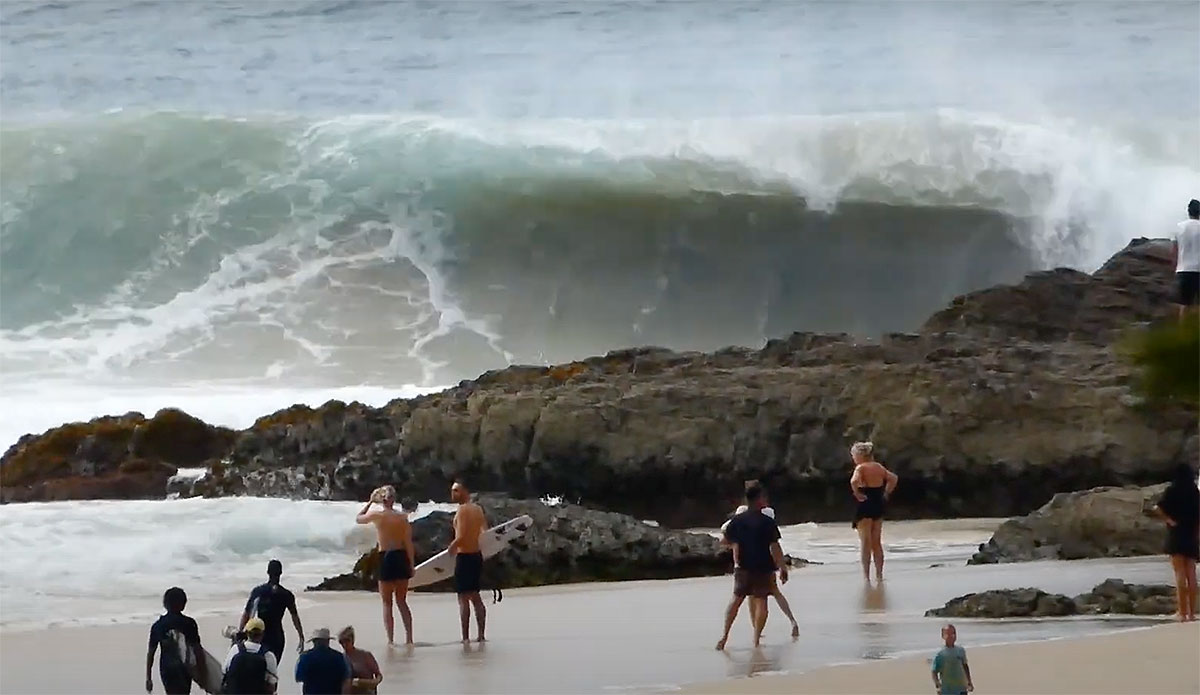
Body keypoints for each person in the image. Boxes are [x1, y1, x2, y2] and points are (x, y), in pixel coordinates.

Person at [716, 481, 788, 650]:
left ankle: (724, 636)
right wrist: (782, 567)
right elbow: (775, 547)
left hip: (742, 567)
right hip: (763, 566)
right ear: (760, 499)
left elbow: (725, 541)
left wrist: (738, 544)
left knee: (736, 601)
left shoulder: (737, 521)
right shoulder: (767, 522)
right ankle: (755, 640)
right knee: (761, 603)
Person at [720, 500, 799, 637]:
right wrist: (781, 566)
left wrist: (734, 545)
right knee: (773, 594)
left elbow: (724, 537)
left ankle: (754, 630)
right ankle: (790, 621)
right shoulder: (764, 521)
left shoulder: (739, 525)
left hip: (745, 567)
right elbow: (774, 546)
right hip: (765, 564)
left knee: (749, 598)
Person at [355, 485, 416, 645]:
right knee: (402, 601)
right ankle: (409, 638)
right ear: (394, 499)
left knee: (387, 603)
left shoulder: (377, 515)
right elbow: (408, 543)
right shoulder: (403, 517)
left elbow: (359, 518)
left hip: (386, 557)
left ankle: (391, 639)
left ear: (382, 499)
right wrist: (412, 564)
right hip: (401, 556)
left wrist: (369, 502)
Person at [1153, 463, 1200, 621]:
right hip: (1191, 533)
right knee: (1191, 574)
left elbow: (1157, 507)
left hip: (1176, 533)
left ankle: (1182, 612)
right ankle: (1193, 613)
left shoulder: (1171, 490)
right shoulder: (1195, 492)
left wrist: (1169, 520)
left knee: (1179, 573)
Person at [849, 441, 898, 582]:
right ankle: (879, 574)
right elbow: (893, 478)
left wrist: (857, 493)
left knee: (865, 542)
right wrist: (886, 493)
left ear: (859, 455)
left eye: (854, 455)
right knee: (876, 542)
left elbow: (854, 481)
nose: (853, 458)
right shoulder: (878, 467)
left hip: (865, 503)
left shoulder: (861, 467)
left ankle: (866, 576)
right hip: (878, 502)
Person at [239, 559, 304, 662]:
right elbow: (294, 616)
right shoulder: (286, 594)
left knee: (257, 668)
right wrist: (301, 636)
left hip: (259, 634)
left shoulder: (258, 591)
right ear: (281, 573)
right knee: (272, 669)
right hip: (277, 636)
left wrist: (240, 631)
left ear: (267, 572)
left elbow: (247, 614)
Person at [448, 479, 488, 643]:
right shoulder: (478, 509)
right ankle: (481, 635)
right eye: (452, 490)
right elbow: (485, 531)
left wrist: (452, 547)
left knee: (463, 598)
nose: (453, 494)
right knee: (475, 596)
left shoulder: (463, 510)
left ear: (465, 491)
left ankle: (465, 637)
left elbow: (462, 536)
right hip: (476, 556)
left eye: (456, 490)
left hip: (464, 557)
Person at [146, 587, 206, 694]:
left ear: (165, 604)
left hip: (166, 669)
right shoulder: (189, 623)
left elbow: (151, 653)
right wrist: (203, 674)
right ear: (183, 604)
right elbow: (197, 650)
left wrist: (148, 678)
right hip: (184, 668)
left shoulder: (158, 625)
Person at [221, 617, 279, 694]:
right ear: (262, 634)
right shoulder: (268, 655)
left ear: (247, 633)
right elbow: (273, 683)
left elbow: (224, 671)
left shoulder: (236, 649)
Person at [294, 628, 351, 695]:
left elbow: (298, 677)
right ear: (327, 641)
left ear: (314, 641)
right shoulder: (339, 657)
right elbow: (346, 678)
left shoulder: (305, 657)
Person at [1172, 199, 1200, 321]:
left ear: (1188, 212)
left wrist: (1174, 267)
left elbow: (1174, 249)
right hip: (1198, 269)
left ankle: (1182, 333)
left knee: (1184, 305)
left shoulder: (1179, 227)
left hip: (1183, 269)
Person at [338, 626, 383, 695]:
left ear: (352, 640)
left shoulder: (365, 655)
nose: (344, 644)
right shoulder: (340, 658)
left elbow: (378, 675)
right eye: (341, 642)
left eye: (347, 640)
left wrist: (374, 682)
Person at [931, 623, 974, 695]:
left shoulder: (961, 650)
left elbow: (965, 666)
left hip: (961, 688)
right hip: (947, 689)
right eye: (948, 634)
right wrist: (938, 685)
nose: (952, 636)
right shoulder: (940, 654)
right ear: (943, 636)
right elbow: (934, 671)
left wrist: (969, 682)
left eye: (953, 633)